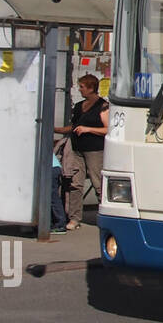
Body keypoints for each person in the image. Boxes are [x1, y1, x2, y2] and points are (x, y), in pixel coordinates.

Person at [55, 73, 108, 230]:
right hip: (77, 149)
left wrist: (88, 129)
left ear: (91, 88)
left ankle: (104, 215)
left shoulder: (103, 106)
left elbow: (107, 129)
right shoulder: (79, 106)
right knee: (75, 183)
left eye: (82, 87)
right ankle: (74, 218)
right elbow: (74, 126)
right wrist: (56, 129)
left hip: (94, 150)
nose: (80, 90)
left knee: (97, 183)